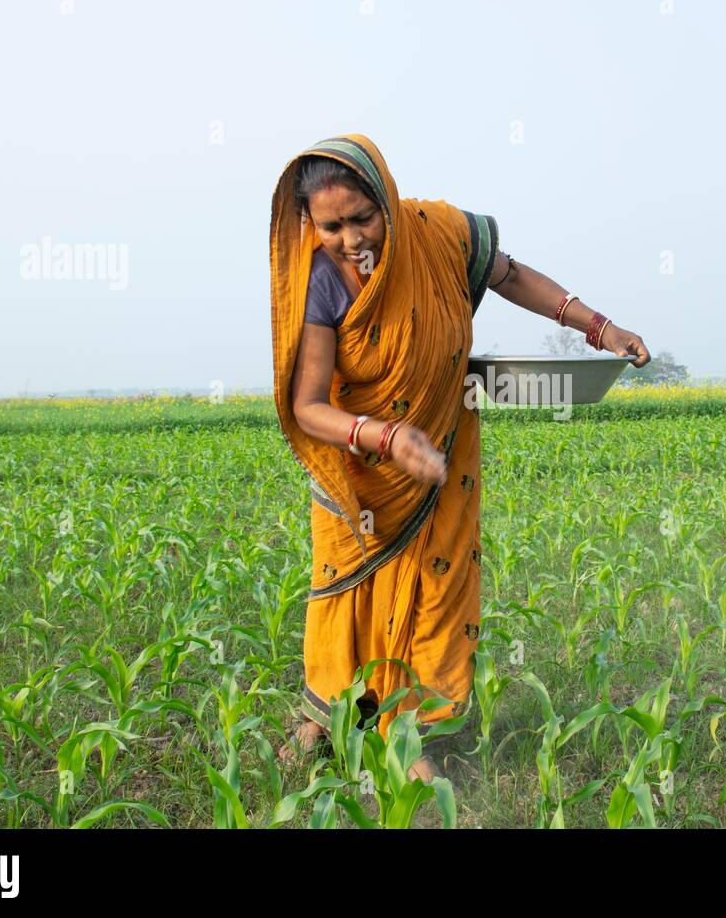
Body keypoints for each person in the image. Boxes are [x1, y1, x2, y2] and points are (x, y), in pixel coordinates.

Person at [268, 133, 651, 781]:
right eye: (331, 225)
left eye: (363, 217)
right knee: (348, 595)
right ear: (308, 222)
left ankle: (414, 736)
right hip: (360, 467)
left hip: (440, 448)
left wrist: (596, 326)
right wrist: (385, 437)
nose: (351, 238)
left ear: (387, 199)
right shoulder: (321, 282)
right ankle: (325, 719)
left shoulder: (437, 234)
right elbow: (308, 406)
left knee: (435, 587)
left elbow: (510, 275)